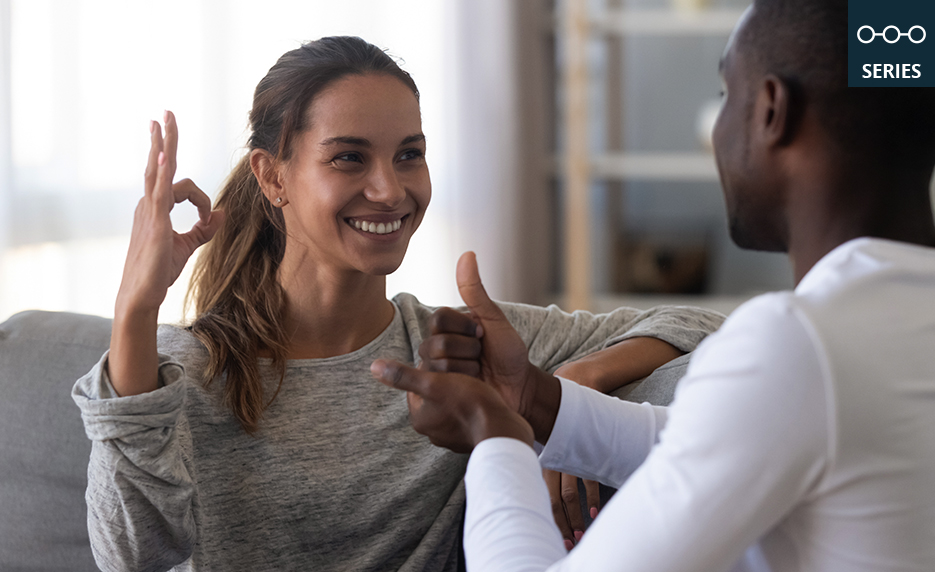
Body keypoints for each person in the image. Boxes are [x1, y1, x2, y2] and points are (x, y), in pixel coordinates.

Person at [71, 36, 724, 572]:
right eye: (349, 158)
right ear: (273, 177)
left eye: (409, 155)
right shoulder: (188, 369)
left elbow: (697, 323)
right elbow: (131, 555)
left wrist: (553, 394)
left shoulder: (452, 348)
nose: (389, 190)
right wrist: (135, 311)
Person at [371, 1, 935, 570]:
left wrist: (494, 433)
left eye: (724, 98)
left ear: (770, 110)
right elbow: (714, 439)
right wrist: (532, 398)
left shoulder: (799, 342)